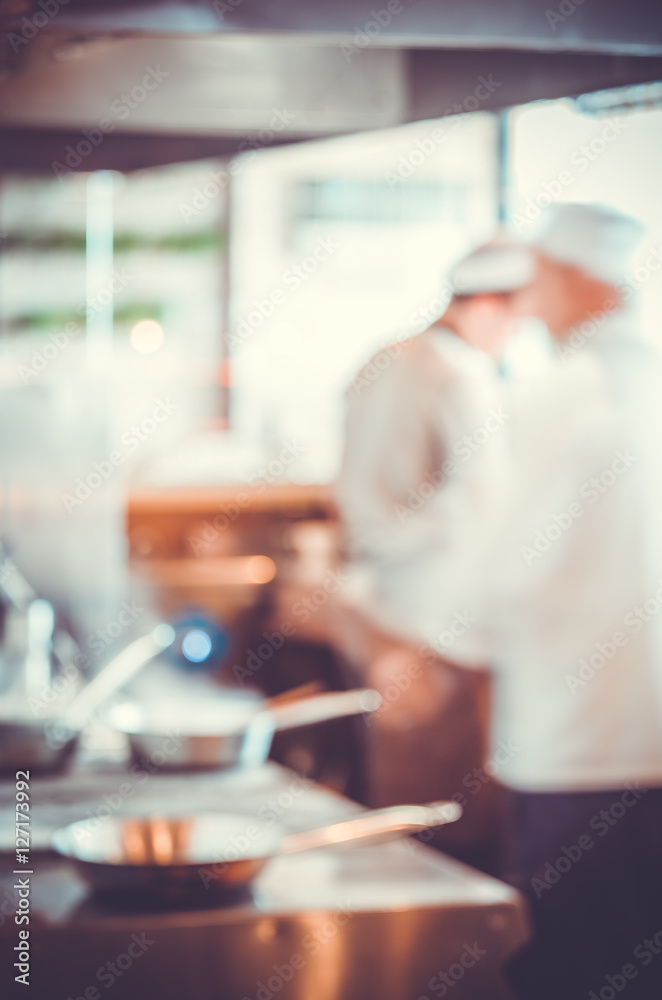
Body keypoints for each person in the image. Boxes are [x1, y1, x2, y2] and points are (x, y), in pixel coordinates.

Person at [369, 203, 662, 1000]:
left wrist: (427, 654)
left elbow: (500, 563)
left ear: (577, 281)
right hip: (643, 742)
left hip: (581, 747)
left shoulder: (565, 392)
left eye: (540, 280)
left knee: (578, 962)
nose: (530, 302)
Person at [335, 241, 533, 868]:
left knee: (398, 806)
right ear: (489, 307)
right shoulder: (461, 376)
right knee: (448, 815)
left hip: (378, 608)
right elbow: (488, 504)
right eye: (517, 322)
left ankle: (396, 914)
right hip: (439, 624)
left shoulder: (382, 358)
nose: (515, 339)